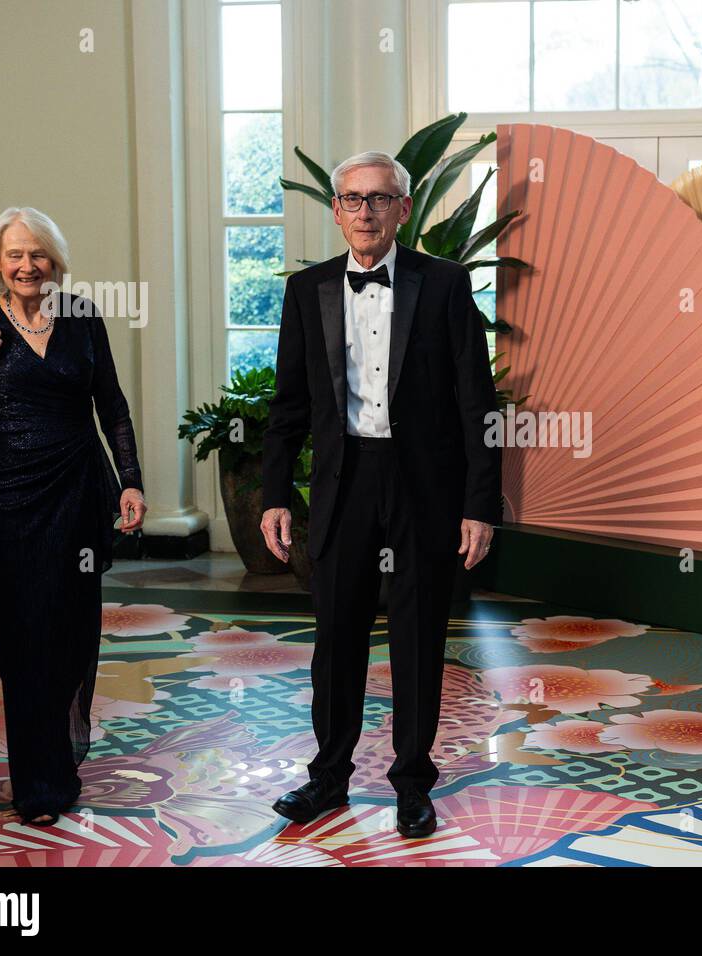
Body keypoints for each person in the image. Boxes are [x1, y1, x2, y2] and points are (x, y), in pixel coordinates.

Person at [260, 150, 500, 838]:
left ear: (403, 208)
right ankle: (327, 779)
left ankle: (412, 784)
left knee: (419, 637)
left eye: (380, 198)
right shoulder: (307, 291)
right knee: (335, 637)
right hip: (343, 484)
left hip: (423, 486)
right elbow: (288, 404)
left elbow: (476, 404)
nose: (366, 210)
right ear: (336, 211)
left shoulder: (447, 285)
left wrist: (480, 504)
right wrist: (277, 494)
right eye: (353, 199)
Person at [0, 207, 146, 826]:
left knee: (72, 628)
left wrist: (129, 480)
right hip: (10, 497)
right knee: (23, 634)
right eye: (15, 256)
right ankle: (39, 780)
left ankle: (57, 758)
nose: (27, 266)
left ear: (55, 259)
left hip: (79, 490)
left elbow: (111, 403)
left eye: (38, 255)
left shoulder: (82, 315)